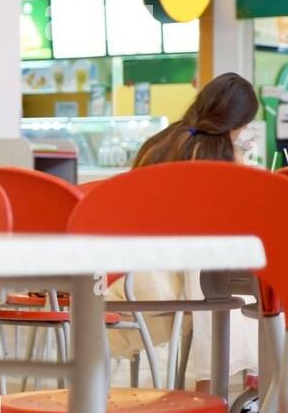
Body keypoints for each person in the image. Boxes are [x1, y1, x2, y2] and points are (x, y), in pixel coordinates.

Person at [110, 72, 260, 395]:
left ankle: (216, 386)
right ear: (238, 122)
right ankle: (238, 388)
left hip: (136, 273)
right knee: (244, 282)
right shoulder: (221, 157)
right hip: (176, 281)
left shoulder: (159, 143)